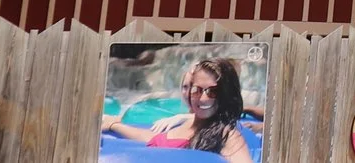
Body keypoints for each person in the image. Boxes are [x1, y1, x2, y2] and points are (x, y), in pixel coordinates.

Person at [100, 58, 256, 162]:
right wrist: (115, 125)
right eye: (196, 89)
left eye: (213, 91)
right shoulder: (184, 125)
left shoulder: (227, 136)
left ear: (225, 94)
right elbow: (152, 138)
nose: (203, 98)